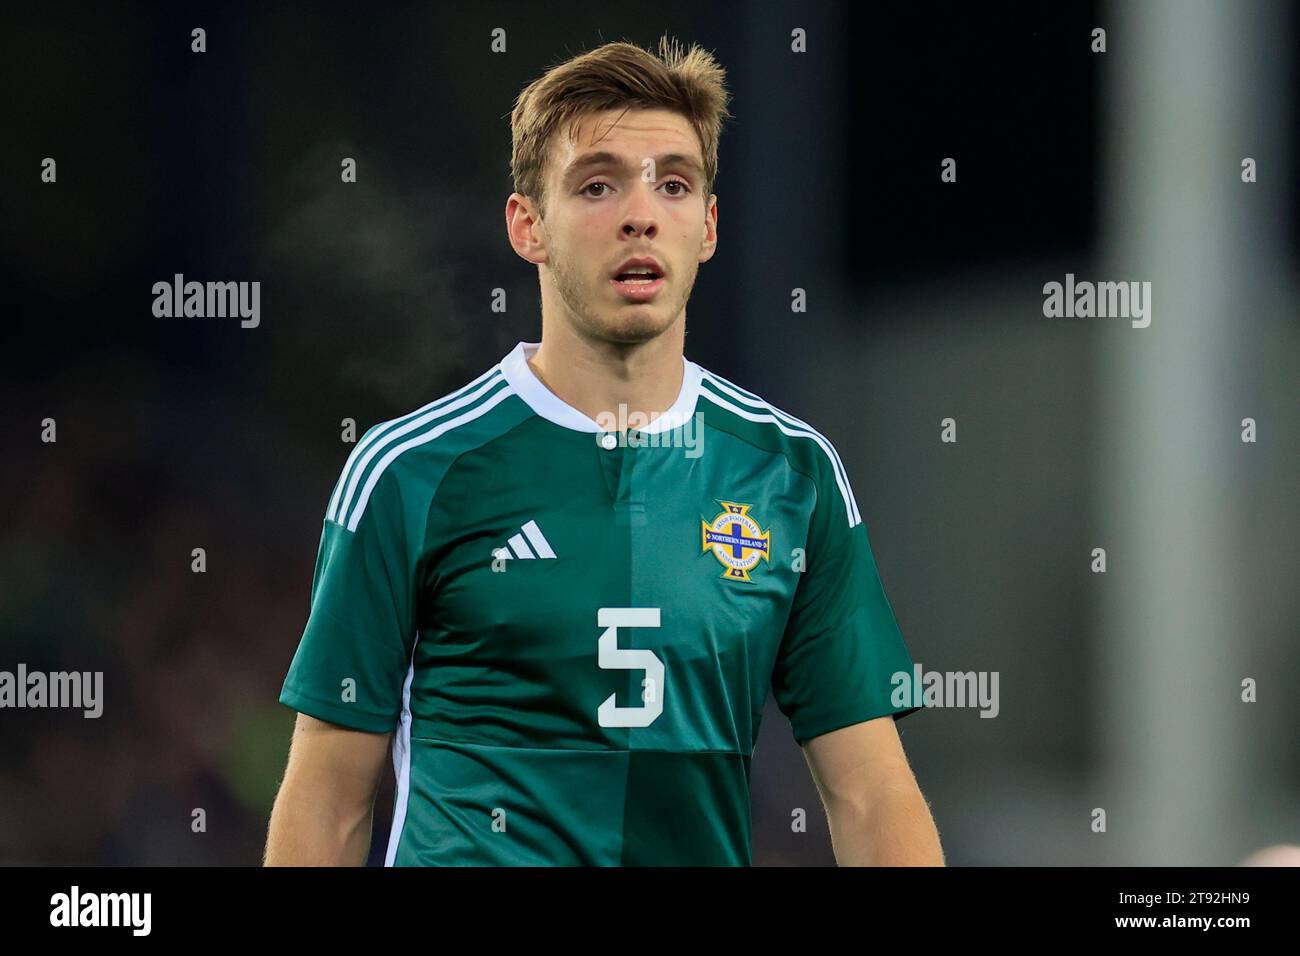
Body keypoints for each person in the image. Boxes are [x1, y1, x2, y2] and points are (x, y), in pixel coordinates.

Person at [264, 34, 943, 866]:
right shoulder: (408, 470)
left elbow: (871, 793)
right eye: (597, 184)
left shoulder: (792, 475)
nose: (640, 212)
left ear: (708, 227)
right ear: (528, 226)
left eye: (674, 183)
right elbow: (328, 799)